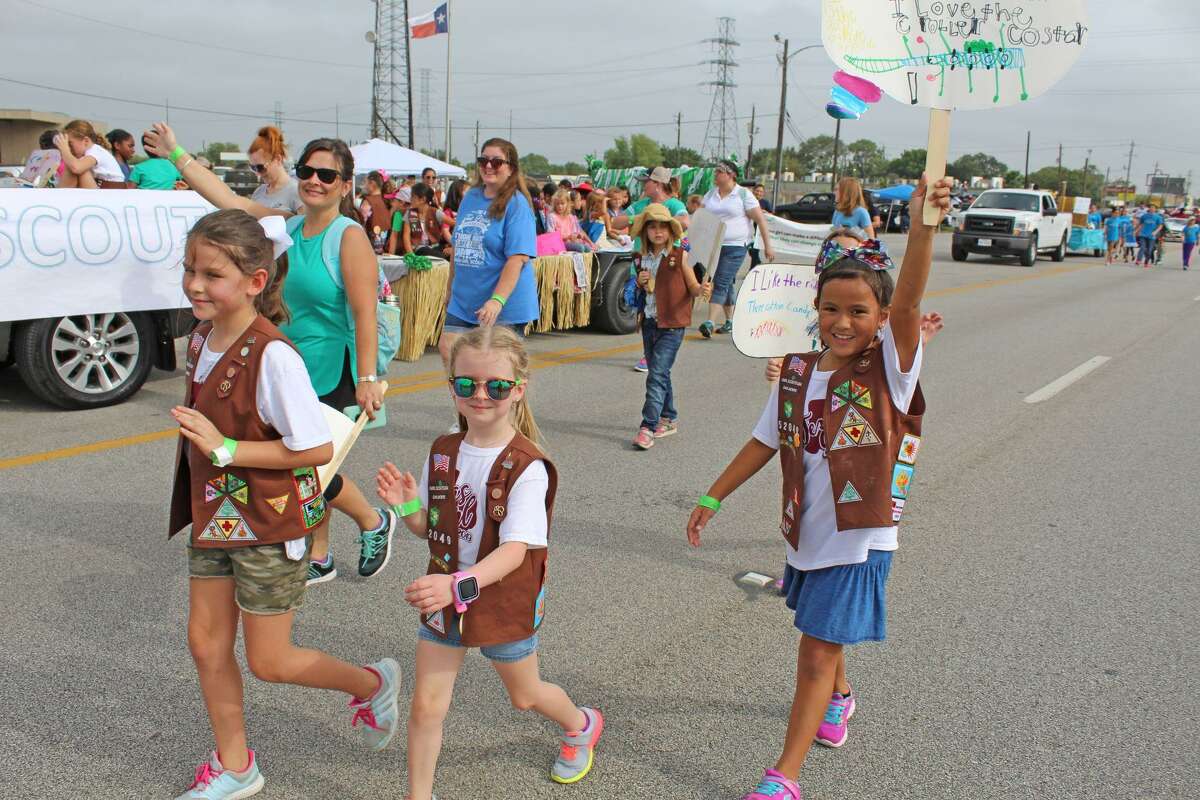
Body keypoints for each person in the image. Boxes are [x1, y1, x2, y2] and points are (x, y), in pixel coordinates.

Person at [685, 176, 951, 800]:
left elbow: (910, 305)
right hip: (808, 530)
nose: (842, 321)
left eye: (859, 312)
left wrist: (922, 228)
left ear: (882, 320)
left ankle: (784, 778)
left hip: (859, 537)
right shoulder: (799, 369)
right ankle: (844, 696)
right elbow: (765, 441)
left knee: (811, 655)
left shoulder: (891, 370)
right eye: (831, 309)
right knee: (820, 633)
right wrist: (710, 497)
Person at [168, 209, 400, 800]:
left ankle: (373, 683)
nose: (196, 284)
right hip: (216, 514)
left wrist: (223, 447)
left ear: (254, 281)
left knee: (269, 661)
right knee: (206, 643)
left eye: (212, 274)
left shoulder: (274, 356)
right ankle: (236, 765)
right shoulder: (199, 337)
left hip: (270, 522)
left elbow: (314, 449)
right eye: (190, 268)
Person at [143, 122, 398, 587]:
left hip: (330, 367)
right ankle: (320, 552)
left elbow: (364, 313)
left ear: (345, 185)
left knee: (313, 465)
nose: (314, 180)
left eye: (327, 174)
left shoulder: (348, 236)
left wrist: (366, 377)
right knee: (301, 469)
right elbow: (230, 201)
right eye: (307, 170)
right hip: (283, 364)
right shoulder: (287, 227)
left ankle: (372, 521)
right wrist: (176, 153)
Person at [375, 325, 602, 800]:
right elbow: (432, 530)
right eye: (466, 384)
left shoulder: (528, 467)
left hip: (500, 598)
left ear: (518, 390)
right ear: (452, 387)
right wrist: (407, 507)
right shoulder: (442, 452)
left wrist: (457, 586)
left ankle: (581, 724)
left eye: (496, 386)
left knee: (525, 695)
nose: (480, 395)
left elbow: (514, 551)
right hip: (447, 594)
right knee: (426, 707)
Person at [437, 137, 539, 372]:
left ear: (511, 168)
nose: (489, 166)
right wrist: (450, 288)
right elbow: (459, 245)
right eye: (484, 160)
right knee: (450, 351)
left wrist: (497, 300)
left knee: (498, 371)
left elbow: (518, 259)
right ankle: (466, 408)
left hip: (503, 304)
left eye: (496, 161)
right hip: (464, 300)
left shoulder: (517, 204)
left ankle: (507, 408)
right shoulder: (471, 198)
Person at [629, 204, 711, 450]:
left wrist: (702, 289)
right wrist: (640, 282)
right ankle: (669, 416)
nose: (657, 231)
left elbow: (693, 287)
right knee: (660, 372)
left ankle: (648, 426)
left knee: (655, 375)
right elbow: (643, 292)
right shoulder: (641, 258)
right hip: (650, 323)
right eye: (652, 227)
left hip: (673, 325)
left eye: (662, 227)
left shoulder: (679, 256)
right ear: (645, 232)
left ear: (670, 231)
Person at [698, 159, 776, 338]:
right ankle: (730, 321)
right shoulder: (711, 194)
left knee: (721, 281)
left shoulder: (743, 195)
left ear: (730, 175)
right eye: (716, 171)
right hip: (713, 246)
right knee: (727, 283)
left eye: (719, 172)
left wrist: (767, 246)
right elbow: (700, 217)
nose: (716, 175)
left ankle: (709, 322)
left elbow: (761, 220)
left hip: (735, 247)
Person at [610, 166, 690, 247]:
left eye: (646, 182)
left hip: (665, 257)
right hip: (640, 257)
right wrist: (638, 218)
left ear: (657, 184)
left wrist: (655, 218)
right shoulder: (640, 204)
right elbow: (615, 223)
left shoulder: (674, 204)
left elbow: (685, 222)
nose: (643, 185)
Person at [247, 126, 303, 215]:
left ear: (278, 159)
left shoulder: (297, 192)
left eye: (260, 167)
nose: (257, 174)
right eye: (253, 168)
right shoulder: (258, 192)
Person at [54, 120, 126, 188]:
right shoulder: (88, 153)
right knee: (72, 165)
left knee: (77, 168)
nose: (69, 148)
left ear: (86, 141)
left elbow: (76, 168)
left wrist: (65, 150)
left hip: (113, 192)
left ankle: (59, 197)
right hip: (103, 189)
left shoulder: (96, 151)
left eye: (70, 144)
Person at [403, 183, 450, 258]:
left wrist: (452, 247)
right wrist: (412, 256)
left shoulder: (435, 212)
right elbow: (406, 236)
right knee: (432, 253)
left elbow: (454, 224)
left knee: (447, 254)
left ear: (423, 199)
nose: (410, 199)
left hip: (436, 247)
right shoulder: (409, 213)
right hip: (419, 248)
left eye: (413, 196)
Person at [359, 171, 392, 253]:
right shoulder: (386, 201)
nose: (364, 185)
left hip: (369, 246)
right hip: (384, 247)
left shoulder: (368, 201)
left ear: (372, 183)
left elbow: (360, 224)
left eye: (365, 182)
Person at [1136, 203, 1163, 268]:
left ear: (1155, 209)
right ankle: (1138, 260)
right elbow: (1140, 225)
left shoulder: (1158, 217)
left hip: (1151, 236)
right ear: (1149, 208)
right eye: (1151, 207)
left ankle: (1146, 262)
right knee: (1142, 247)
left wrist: (1155, 232)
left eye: (1153, 208)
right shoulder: (1144, 216)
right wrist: (1136, 231)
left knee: (1149, 250)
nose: (1152, 209)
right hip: (1143, 234)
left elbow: (1160, 226)